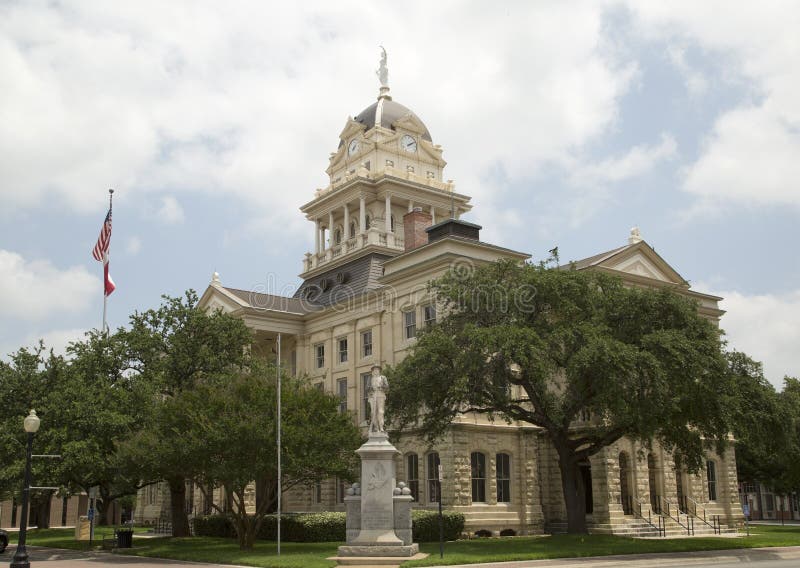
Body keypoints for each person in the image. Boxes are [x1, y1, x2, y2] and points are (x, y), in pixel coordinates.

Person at [368, 365, 388, 433]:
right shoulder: (370, 378)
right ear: (373, 371)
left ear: (379, 371)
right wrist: (371, 388)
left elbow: (387, 387)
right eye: (374, 370)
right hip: (372, 396)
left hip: (380, 395)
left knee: (380, 411)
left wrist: (380, 387)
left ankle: (381, 427)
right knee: (373, 412)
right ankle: (376, 428)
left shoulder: (383, 378)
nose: (376, 371)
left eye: (377, 369)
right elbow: (367, 388)